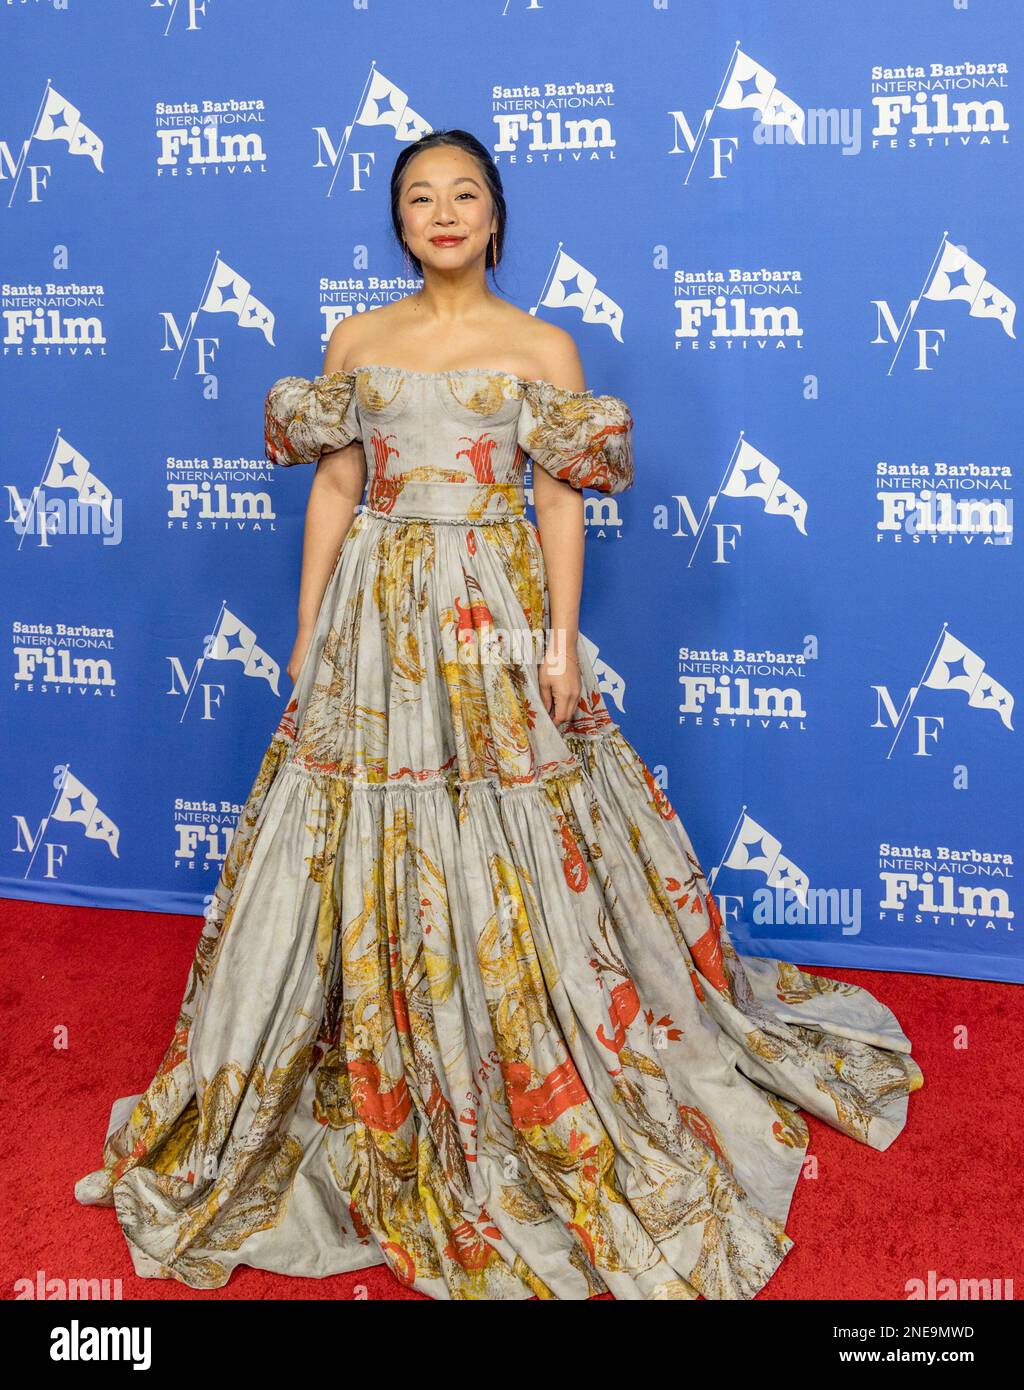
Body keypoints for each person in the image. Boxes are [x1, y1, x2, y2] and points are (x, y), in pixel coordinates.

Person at [75, 129, 923, 1300]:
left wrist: (559, 641)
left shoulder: (541, 346)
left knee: (518, 832)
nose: (442, 212)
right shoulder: (356, 341)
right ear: (399, 220)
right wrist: (309, 621)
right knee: (350, 826)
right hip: (374, 614)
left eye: (463, 193)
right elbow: (336, 483)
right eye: (419, 196)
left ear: (494, 214)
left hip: (489, 611)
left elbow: (561, 503)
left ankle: (514, 1048)